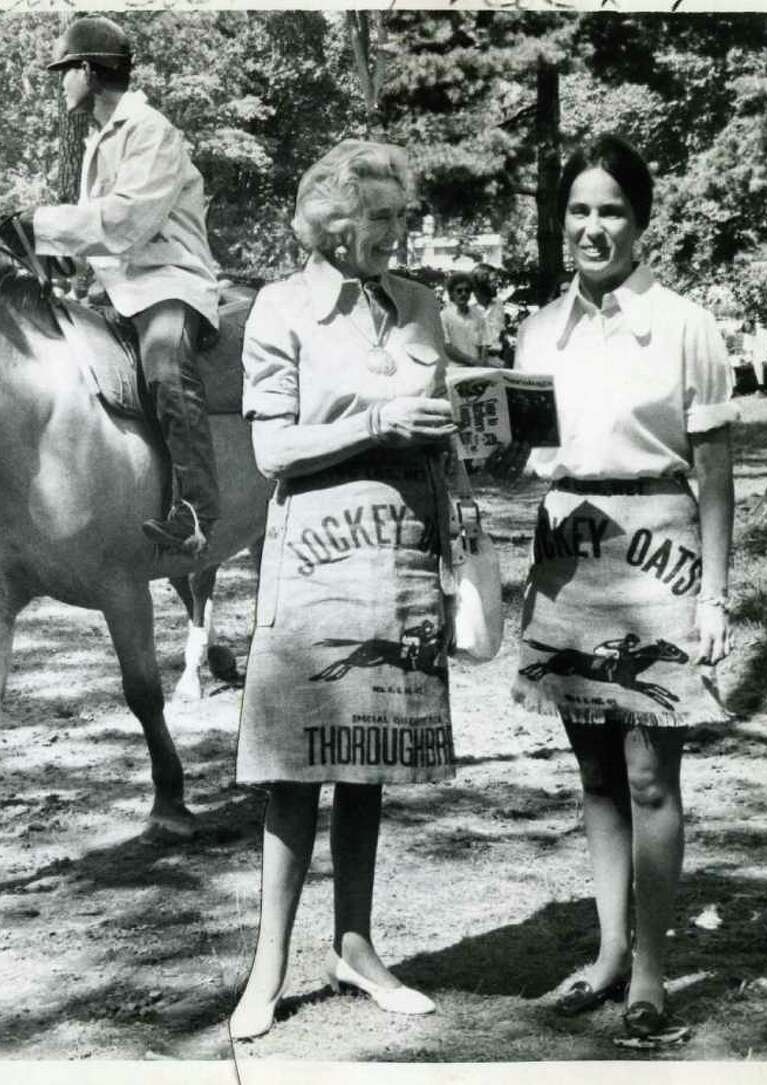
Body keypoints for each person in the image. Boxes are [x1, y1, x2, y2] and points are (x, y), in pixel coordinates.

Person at [495, 134, 736, 1042]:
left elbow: (715, 473)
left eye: (612, 212)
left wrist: (714, 595)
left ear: (641, 222)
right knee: (595, 770)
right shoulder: (538, 329)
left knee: (650, 773)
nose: (593, 229)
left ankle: (652, 969)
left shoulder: (685, 325)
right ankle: (604, 954)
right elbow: (524, 460)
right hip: (568, 553)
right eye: (579, 212)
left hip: (659, 551)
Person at [229, 140, 463, 1041]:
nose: (399, 235)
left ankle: (356, 946)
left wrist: (456, 490)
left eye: (402, 219)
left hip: (399, 548)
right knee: (296, 763)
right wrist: (375, 420)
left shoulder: (419, 306)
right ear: (332, 225)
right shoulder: (280, 311)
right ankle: (268, 967)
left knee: (372, 752)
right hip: (318, 547)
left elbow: (438, 424)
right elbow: (271, 451)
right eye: (383, 220)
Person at [26, 15, 220, 556]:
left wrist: (38, 224)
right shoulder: (101, 139)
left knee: (165, 370)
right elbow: (100, 237)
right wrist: (52, 259)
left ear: (88, 70)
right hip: (119, 292)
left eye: (65, 71)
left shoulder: (151, 129)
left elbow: (128, 221)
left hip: (169, 287)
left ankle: (197, 514)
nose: (60, 82)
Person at [440, 272, 484, 366]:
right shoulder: (444, 316)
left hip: (476, 370)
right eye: (459, 291)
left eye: (467, 290)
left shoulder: (478, 315)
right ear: (451, 293)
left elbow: (483, 344)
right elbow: (446, 347)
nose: (463, 294)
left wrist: (482, 364)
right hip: (455, 371)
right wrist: (473, 361)